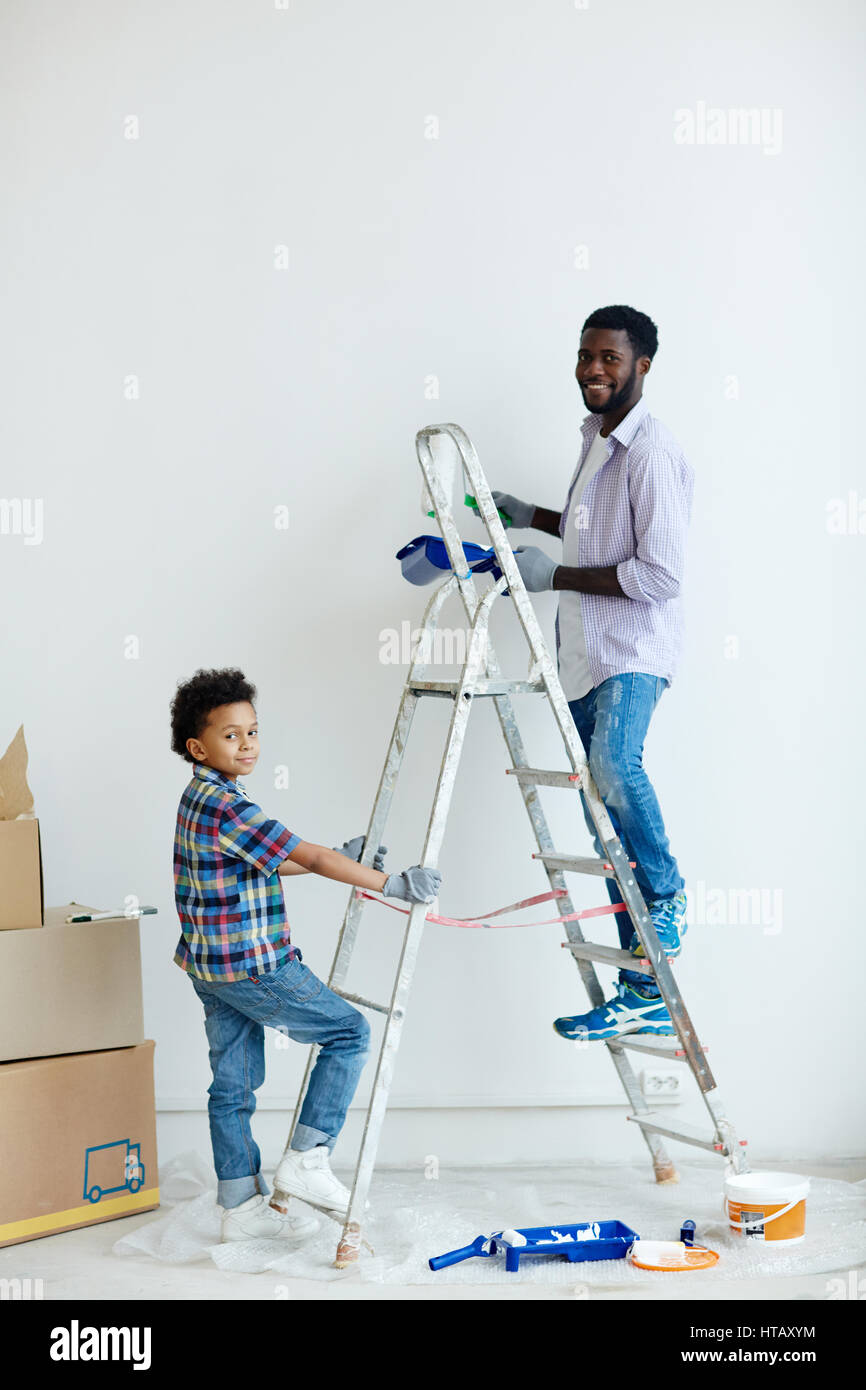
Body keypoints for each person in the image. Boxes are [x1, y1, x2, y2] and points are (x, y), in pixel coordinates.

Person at [169, 666, 440, 1241]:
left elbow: (274, 859)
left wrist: (343, 855)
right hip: (254, 964)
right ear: (198, 746)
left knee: (233, 1085)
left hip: (211, 967)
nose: (246, 745)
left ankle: (239, 1206)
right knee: (349, 1032)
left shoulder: (202, 797)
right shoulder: (230, 807)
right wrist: (385, 881)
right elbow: (311, 858)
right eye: (230, 735)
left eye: (253, 731)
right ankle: (309, 1158)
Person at [501, 305, 694, 1041]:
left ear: (642, 365)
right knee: (602, 819)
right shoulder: (597, 440)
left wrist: (556, 578)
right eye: (586, 356)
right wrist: (531, 515)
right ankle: (639, 985)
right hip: (583, 655)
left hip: (632, 651)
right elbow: (595, 529)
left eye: (609, 358)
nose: (592, 370)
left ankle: (669, 900)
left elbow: (661, 574)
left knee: (615, 765)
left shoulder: (649, 452)